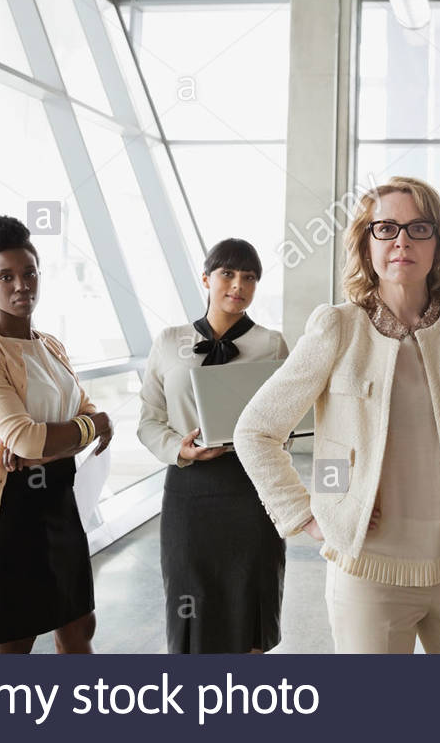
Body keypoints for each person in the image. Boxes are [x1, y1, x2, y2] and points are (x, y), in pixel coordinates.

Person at [233, 176, 440, 654]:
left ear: (438, 243)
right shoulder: (338, 327)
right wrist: (310, 517)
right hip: (366, 575)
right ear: (366, 244)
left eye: (417, 229)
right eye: (385, 229)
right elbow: (256, 431)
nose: (402, 240)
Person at [0, 215, 113, 653]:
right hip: (8, 510)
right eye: (6, 276)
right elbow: (25, 439)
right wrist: (83, 430)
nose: (21, 285)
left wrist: (66, 435)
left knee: (79, 623)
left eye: (29, 273)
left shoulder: (50, 345)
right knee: (14, 643)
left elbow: (86, 408)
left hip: (58, 501)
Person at [138, 238, 289, 653]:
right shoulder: (169, 341)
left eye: (249, 277)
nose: (237, 285)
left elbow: (287, 421)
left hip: (252, 491)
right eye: (227, 273)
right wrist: (179, 449)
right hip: (189, 492)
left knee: (251, 606)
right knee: (192, 608)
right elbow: (149, 421)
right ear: (206, 279)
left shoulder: (272, 344)